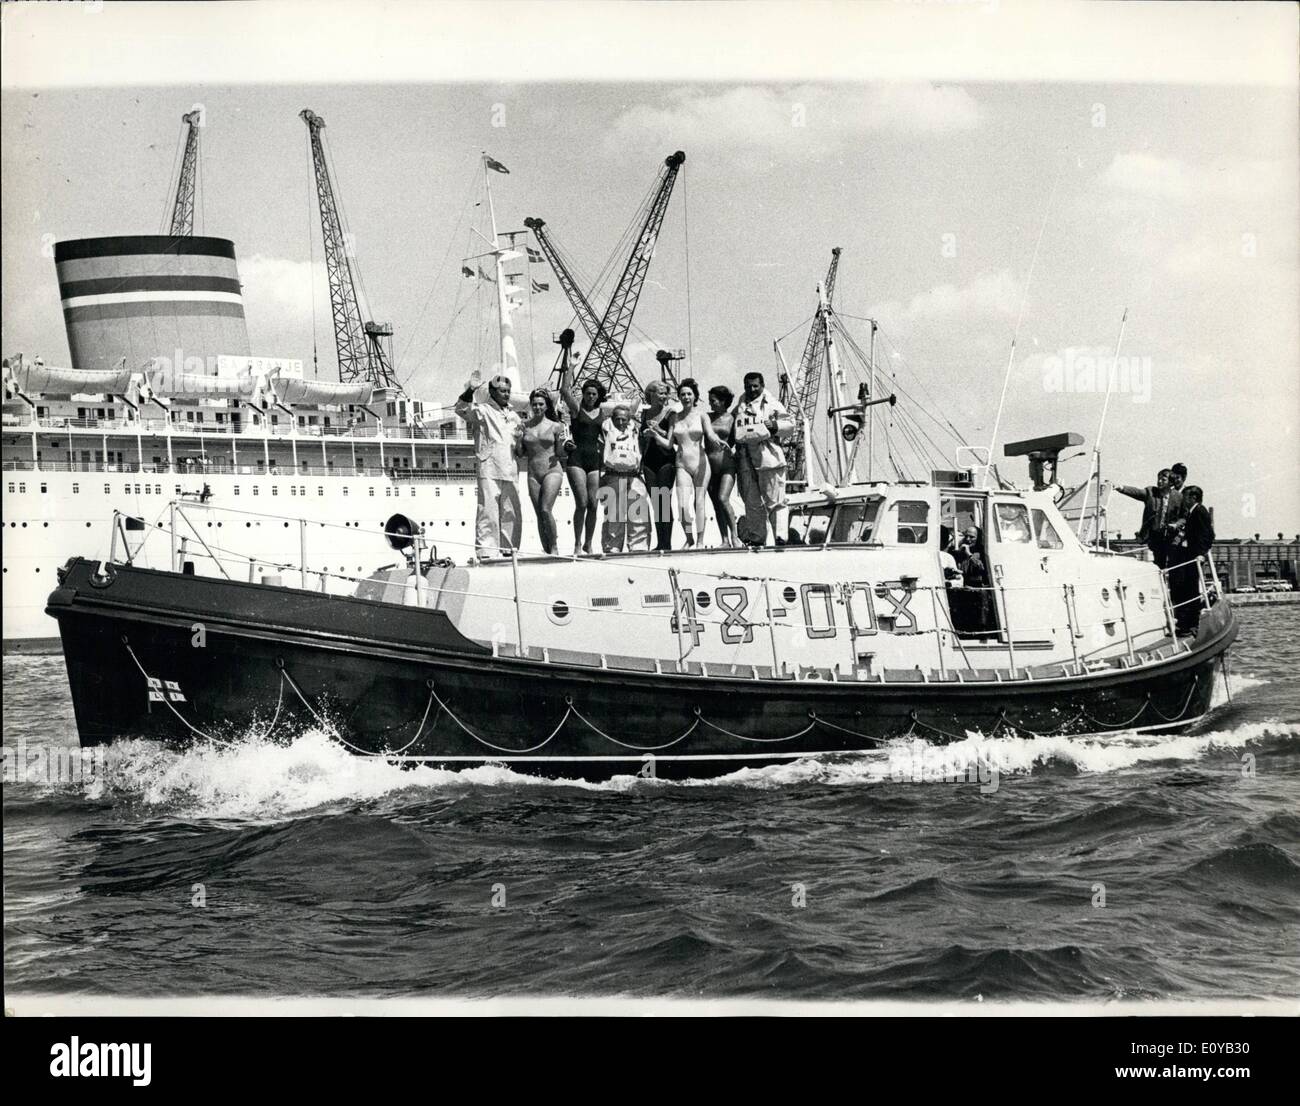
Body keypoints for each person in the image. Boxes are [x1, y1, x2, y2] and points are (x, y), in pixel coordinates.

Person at [455, 370, 523, 558]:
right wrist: (471, 390)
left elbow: (519, 445)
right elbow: (461, 409)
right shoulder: (483, 410)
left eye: (508, 391)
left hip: (510, 468)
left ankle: (510, 550)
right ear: (492, 392)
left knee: (511, 511)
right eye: (502, 391)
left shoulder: (514, 416)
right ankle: (486, 551)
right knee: (488, 511)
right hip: (489, 468)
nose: (506, 394)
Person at [646, 378, 722, 547]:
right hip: (682, 464)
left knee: (699, 502)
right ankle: (689, 538)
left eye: (689, 394)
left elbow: (709, 434)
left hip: (701, 462)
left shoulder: (701, 415)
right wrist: (655, 435)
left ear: (695, 396)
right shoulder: (675, 417)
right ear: (678, 397)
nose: (686, 397)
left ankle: (700, 541)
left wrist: (717, 441)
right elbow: (668, 443)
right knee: (681, 505)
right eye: (682, 394)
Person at [731, 371, 790, 547]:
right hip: (745, 458)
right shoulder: (740, 406)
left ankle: (781, 537)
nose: (752, 389)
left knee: (776, 500)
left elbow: (791, 425)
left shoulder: (772, 404)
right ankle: (757, 538)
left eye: (755, 386)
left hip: (768, 456)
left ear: (762, 385)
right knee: (752, 502)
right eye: (748, 386)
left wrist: (776, 426)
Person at [558, 375, 608, 554]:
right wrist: (571, 366)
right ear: (583, 394)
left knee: (593, 504)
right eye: (588, 393)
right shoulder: (577, 409)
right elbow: (564, 390)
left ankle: (588, 543)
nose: (591, 397)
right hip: (576, 459)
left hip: (594, 461)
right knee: (582, 502)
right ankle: (577, 543)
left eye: (594, 394)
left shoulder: (602, 413)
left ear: (598, 395)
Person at [519, 388, 566, 554]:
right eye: (534, 404)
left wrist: (563, 443)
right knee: (539, 514)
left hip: (552, 470)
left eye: (541, 404)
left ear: (547, 406)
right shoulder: (525, 426)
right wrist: (518, 438)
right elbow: (520, 453)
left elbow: (561, 453)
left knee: (546, 509)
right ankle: (546, 550)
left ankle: (554, 547)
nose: (537, 407)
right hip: (533, 473)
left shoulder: (556, 426)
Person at [599, 401, 646, 553]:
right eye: (617, 418)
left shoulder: (635, 432)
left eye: (624, 419)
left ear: (629, 419)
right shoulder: (606, 430)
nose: (620, 422)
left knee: (638, 512)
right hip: (613, 475)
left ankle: (638, 546)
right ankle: (612, 546)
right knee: (613, 514)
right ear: (612, 418)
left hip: (633, 476)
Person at [1167, 485, 1215, 635]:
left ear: (1193, 498)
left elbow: (1208, 535)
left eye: (1185, 497)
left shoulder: (1200, 511)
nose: (1183, 500)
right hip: (1190, 556)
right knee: (1187, 590)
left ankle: (1190, 626)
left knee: (1191, 591)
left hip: (1195, 557)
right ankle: (1186, 625)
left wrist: (1201, 553)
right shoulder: (1192, 512)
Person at [639, 379, 679, 551]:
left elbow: (671, 441)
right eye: (660, 393)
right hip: (649, 460)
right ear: (651, 394)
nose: (664, 396)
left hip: (665, 460)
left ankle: (666, 543)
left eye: (665, 393)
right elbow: (640, 439)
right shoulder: (644, 414)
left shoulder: (671, 413)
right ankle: (660, 542)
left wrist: (656, 432)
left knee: (664, 499)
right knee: (656, 502)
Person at [1116, 469, 1176, 566]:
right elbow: (1137, 492)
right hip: (1155, 536)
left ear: (1171, 482)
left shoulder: (1178, 497)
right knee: (1159, 563)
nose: (1159, 481)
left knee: (1173, 564)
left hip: (1171, 536)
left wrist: (1176, 524)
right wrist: (1121, 488)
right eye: (1158, 479)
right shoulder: (1151, 492)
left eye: (1163, 479)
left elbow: (1184, 515)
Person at [706, 385, 739, 547]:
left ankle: (735, 536)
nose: (710, 404)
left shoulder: (732, 418)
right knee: (716, 504)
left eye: (713, 401)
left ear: (723, 401)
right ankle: (724, 539)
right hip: (709, 466)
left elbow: (736, 440)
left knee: (723, 498)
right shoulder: (706, 417)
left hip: (727, 464)